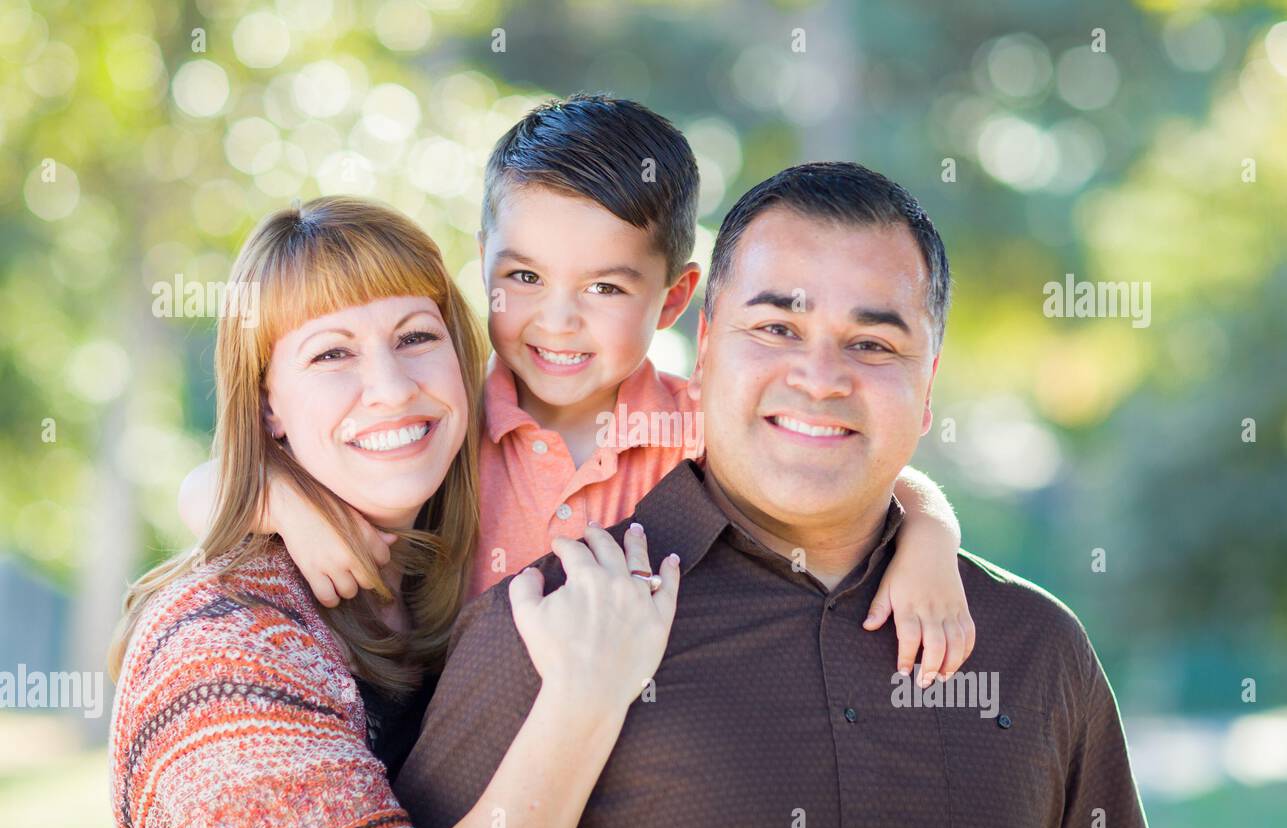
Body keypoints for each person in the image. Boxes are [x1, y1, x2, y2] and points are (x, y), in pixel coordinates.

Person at [393, 163, 1159, 828]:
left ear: (928, 387)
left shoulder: (1038, 651)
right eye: (777, 329)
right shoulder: (546, 625)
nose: (821, 378)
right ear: (706, 349)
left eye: (872, 342)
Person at [179, 95, 978, 689]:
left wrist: (932, 539)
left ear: (672, 300)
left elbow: (831, 449)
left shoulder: (698, 427)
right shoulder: (440, 432)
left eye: (603, 288)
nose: (556, 323)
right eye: (523, 278)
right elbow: (207, 487)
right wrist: (283, 504)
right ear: (483, 266)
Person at [108, 197, 680, 828]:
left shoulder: (448, 560)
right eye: (331, 354)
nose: (391, 388)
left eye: (415, 338)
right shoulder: (226, 652)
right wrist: (586, 696)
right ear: (268, 405)